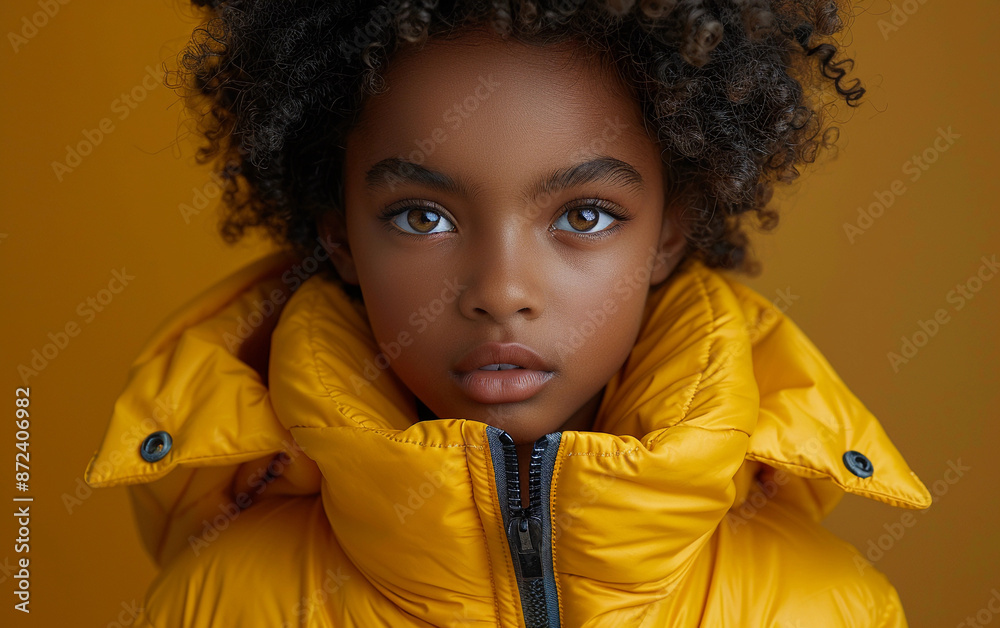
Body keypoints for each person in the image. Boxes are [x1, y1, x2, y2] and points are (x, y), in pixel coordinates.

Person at [84, 1, 933, 625]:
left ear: (671, 232)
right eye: (424, 216)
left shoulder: (830, 608)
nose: (501, 288)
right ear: (338, 234)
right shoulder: (218, 603)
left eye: (584, 215)